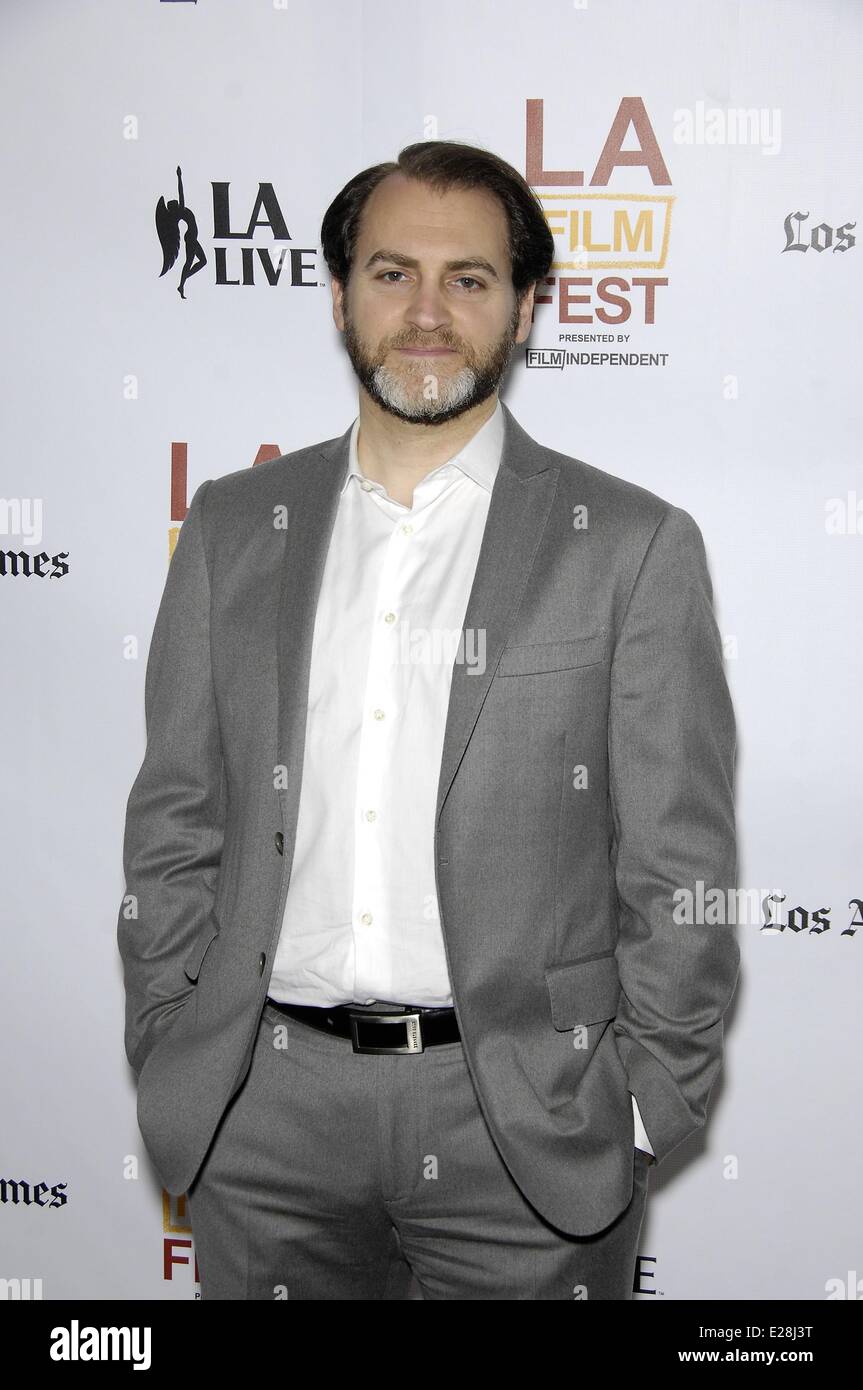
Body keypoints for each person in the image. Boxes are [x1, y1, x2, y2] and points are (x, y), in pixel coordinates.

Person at [117, 139, 740, 1300]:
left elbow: (678, 862)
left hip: (526, 1128)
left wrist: (642, 1105)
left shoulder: (630, 547)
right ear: (340, 292)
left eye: (468, 279)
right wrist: (171, 1030)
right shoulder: (233, 525)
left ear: (524, 307)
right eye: (392, 271)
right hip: (266, 1114)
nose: (426, 312)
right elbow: (175, 816)